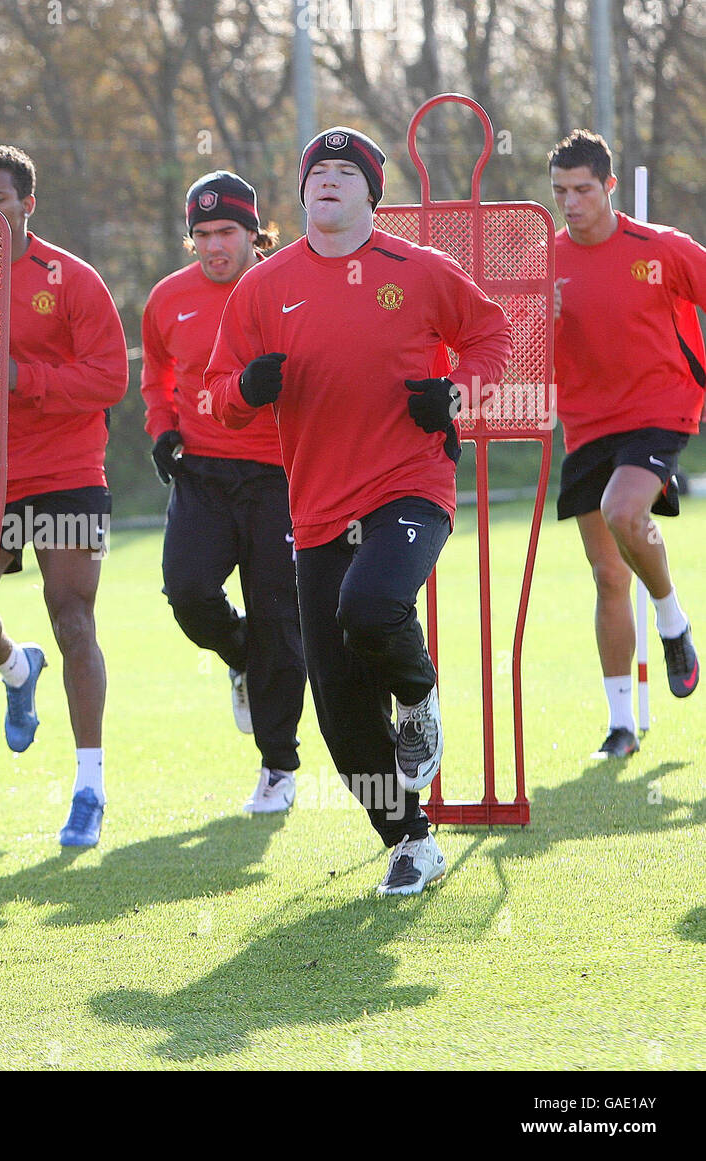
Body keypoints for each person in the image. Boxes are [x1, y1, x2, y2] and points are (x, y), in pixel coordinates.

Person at [206, 127, 511, 895]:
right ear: (302, 190)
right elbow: (213, 397)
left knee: (372, 605)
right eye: (319, 171)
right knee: (340, 712)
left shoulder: (420, 268)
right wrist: (249, 390)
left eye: (347, 171)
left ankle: (417, 695)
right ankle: (409, 839)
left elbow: (492, 334)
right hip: (316, 506)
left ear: (373, 193)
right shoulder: (263, 286)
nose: (329, 181)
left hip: (412, 482)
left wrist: (459, 392)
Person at [0, 145, 128, 848]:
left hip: (67, 470)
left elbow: (109, 380)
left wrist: (27, 378)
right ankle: (17, 669)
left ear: (27, 205)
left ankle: (88, 785)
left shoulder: (70, 278)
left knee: (73, 616)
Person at [140, 171, 306, 813]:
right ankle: (241, 656)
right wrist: (162, 429)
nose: (214, 246)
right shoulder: (166, 299)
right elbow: (157, 374)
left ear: (253, 232)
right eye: (202, 234)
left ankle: (278, 766)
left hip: (279, 475)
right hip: (202, 473)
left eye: (227, 232)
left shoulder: (286, 287)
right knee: (187, 595)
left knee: (279, 617)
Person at [549, 129, 704, 759]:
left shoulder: (659, 248)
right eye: (560, 191)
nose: (571, 202)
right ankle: (619, 726)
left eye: (583, 189)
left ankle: (672, 623)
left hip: (660, 408)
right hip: (585, 424)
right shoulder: (542, 260)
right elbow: (506, 344)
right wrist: (539, 315)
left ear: (609, 187)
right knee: (608, 575)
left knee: (623, 511)